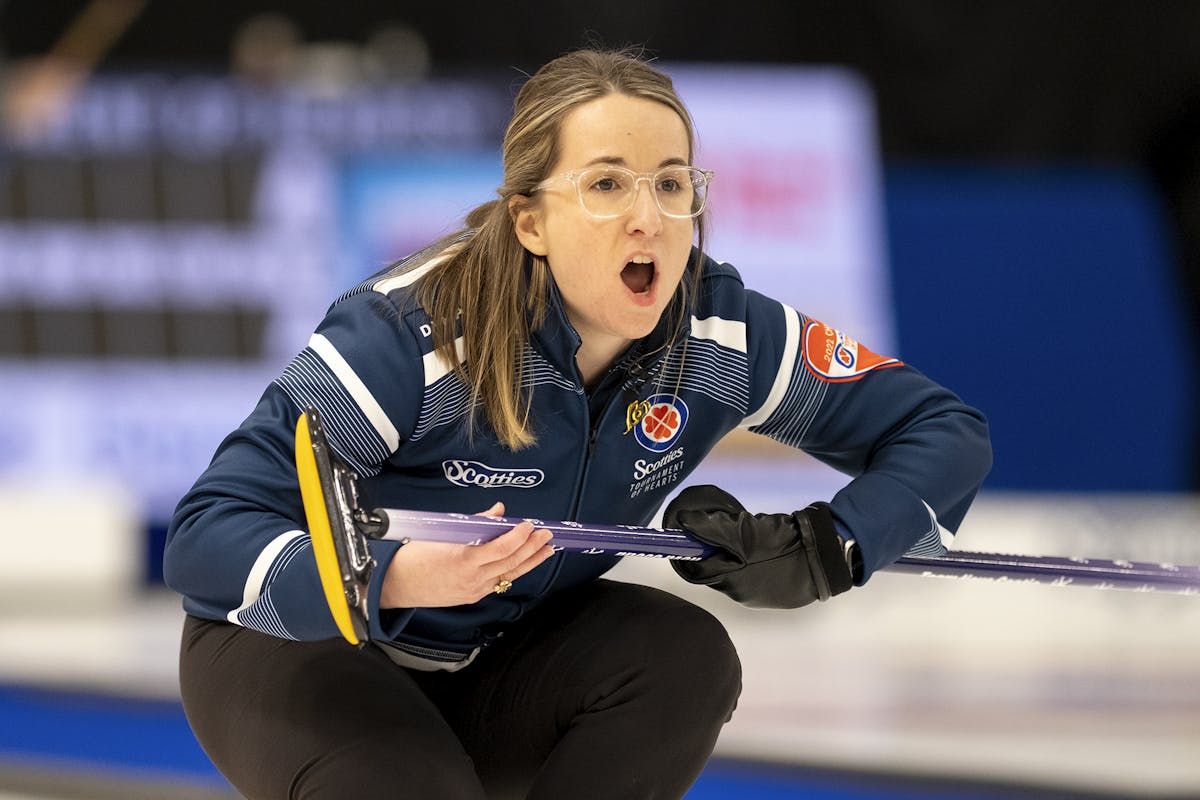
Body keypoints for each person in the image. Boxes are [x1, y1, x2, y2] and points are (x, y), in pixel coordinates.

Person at [164, 48, 991, 799]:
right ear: (530, 220)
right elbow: (206, 537)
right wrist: (392, 578)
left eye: (671, 184)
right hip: (313, 655)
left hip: (492, 655)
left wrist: (830, 547)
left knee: (682, 659)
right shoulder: (409, 336)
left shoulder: (718, 334)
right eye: (606, 185)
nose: (650, 219)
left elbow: (941, 430)